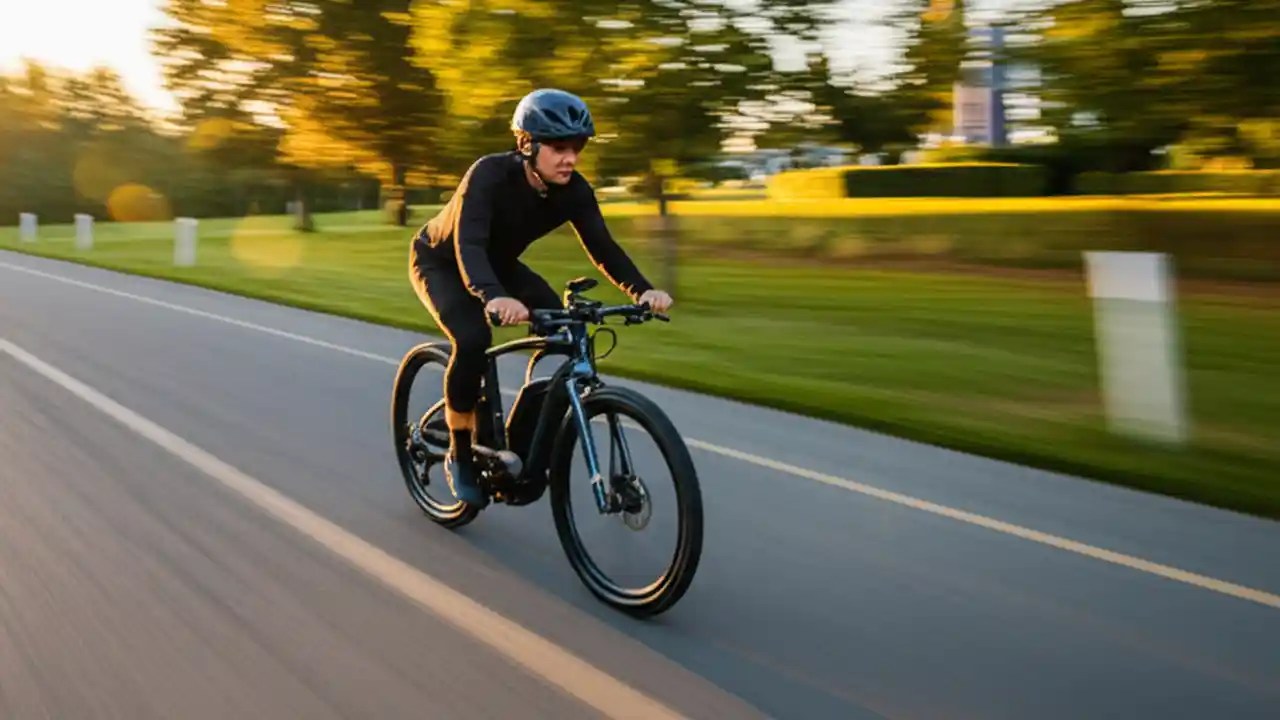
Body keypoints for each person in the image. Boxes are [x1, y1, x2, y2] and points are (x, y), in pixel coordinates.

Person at [408, 88, 673, 508]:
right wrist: (493, 296)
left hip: (498, 264)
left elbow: (603, 248)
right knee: (474, 340)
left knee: (561, 330)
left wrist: (641, 289)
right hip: (442, 261)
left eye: (577, 148)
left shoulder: (574, 190)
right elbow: (468, 246)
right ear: (527, 145)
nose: (570, 158)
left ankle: (520, 436)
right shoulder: (488, 176)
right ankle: (459, 451)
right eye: (559, 148)